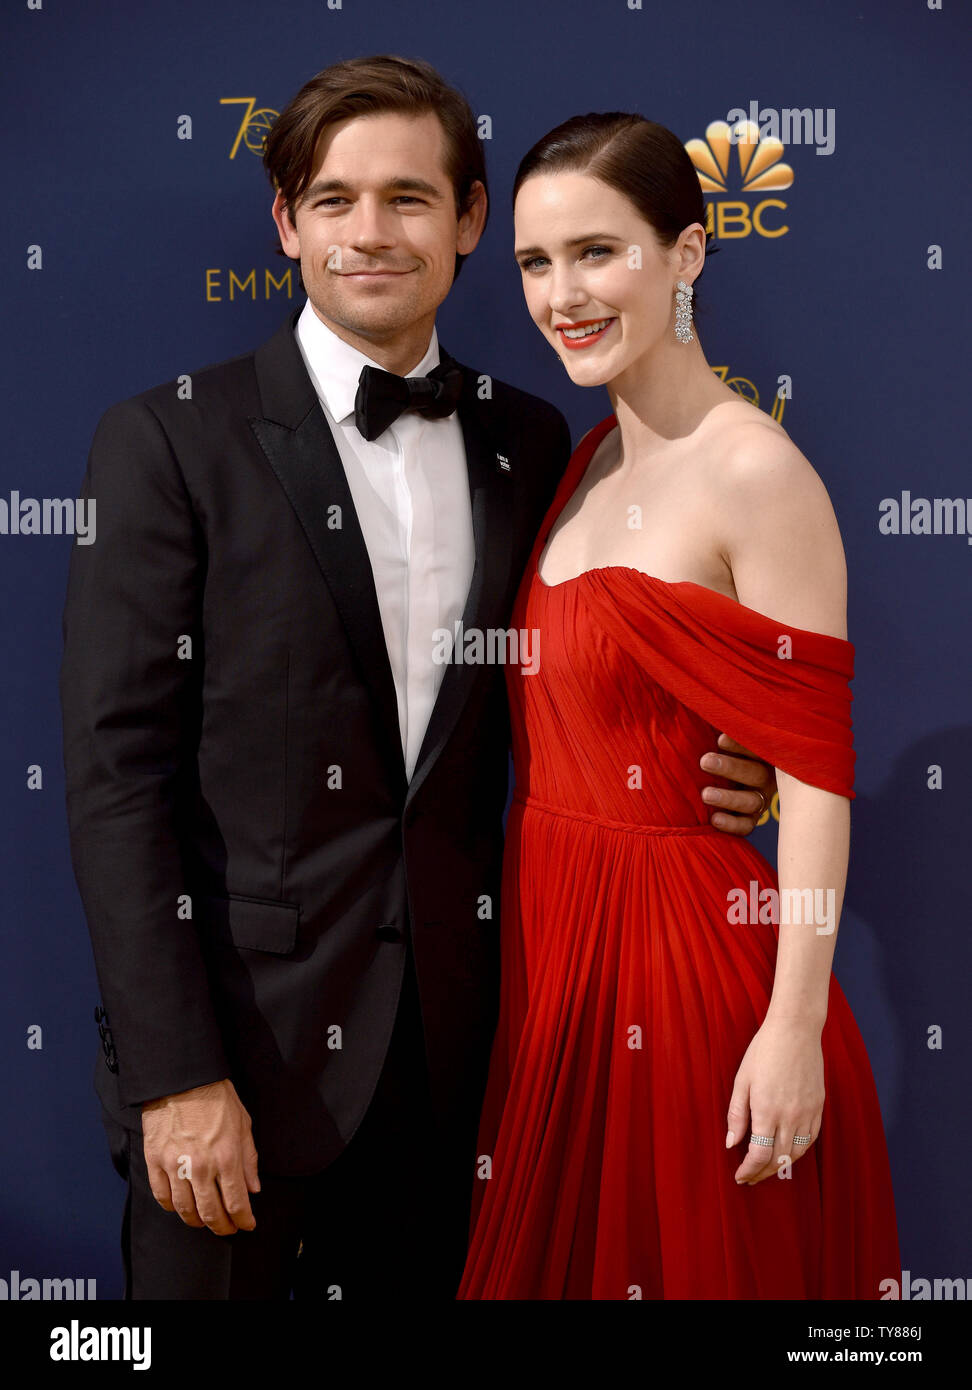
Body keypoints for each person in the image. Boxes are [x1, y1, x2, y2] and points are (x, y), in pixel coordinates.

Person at [59, 60, 772, 1301]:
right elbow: (118, 781)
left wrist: (724, 757)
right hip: (233, 1071)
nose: (369, 234)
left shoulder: (534, 438)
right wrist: (176, 1079)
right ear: (286, 226)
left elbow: (573, 681)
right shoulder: (169, 439)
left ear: (470, 221)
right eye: (332, 201)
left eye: (406, 197)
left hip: (462, 1066)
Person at [457, 112, 901, 1300]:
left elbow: (813, 774)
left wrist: (793, 1025)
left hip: (686, 965)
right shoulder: (589, 453)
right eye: (537, 264)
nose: (563, 294)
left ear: (689, 255)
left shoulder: (755, 470)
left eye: (599, 253)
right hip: (562, 951)